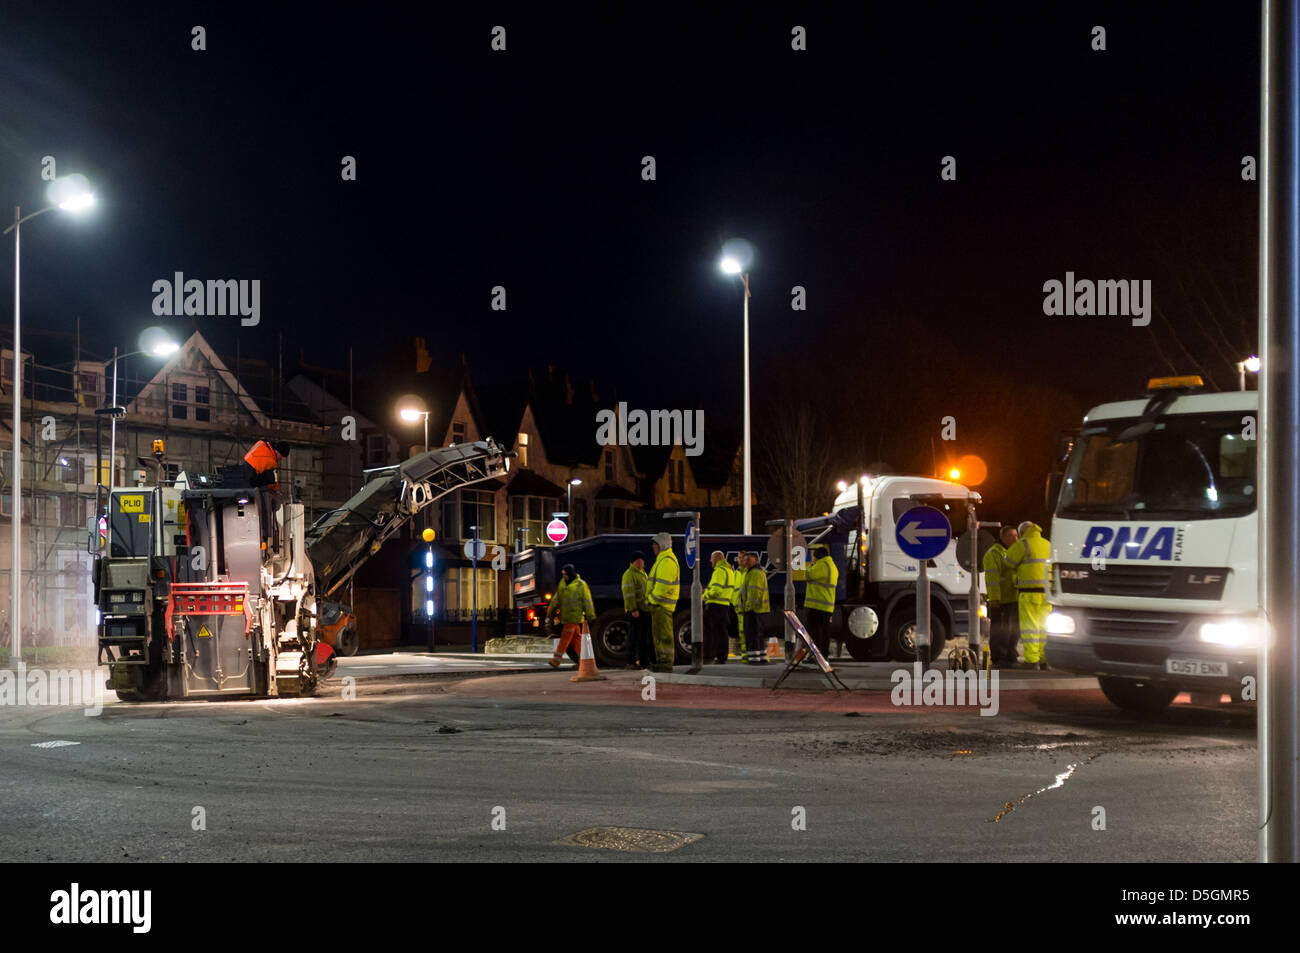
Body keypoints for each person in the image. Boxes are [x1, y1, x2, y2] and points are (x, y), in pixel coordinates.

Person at [1003, 521, 1051, 670]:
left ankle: (1032, 661)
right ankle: (1044, 660)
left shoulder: (1023, 543)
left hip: (1029, 593)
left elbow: (1008, 562)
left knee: (1030, 628)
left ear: (1022, 532)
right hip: (1047, 594)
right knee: (1044, 628)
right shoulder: (1047, 544)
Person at [982, 524, 1020, 668]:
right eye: (1010, 536)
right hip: (1001, 600)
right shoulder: (994, 553)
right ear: (1002, 537)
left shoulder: (1012, 553)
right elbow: (992, 578)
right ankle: (999, 658)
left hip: (1013, 598)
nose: (1014, 539)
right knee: (1000, 631)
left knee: (1013, 630)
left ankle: (1010, 655)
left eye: (1016, 536)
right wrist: (995, 599)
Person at [547, 563, 596, 668]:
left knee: (565, 638)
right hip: (565, 617)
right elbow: (557, 598)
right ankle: (583, 661)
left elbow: (587, 601)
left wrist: (590, 615)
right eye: (562, 574)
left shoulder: (581, 585)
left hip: (574, 617)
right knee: (576, 640)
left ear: (570, 573)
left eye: (565, 574)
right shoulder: (563, 583)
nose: (563, 576)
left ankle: (556, 661)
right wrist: (551, 610)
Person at [646, 532, 680, 672]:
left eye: (656, 545)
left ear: (662, 545)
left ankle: (665, 663)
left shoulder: (667, 561)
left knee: (664, 636)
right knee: (660, 636)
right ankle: (662, 662)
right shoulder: (663, 559)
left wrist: (651, 599)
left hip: (662, 605)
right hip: (660, 605)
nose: (653, 547)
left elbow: (663, 586)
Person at [803, 543, 839, 659]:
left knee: (815, 633)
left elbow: (807, 575)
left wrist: (811, 564)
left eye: (814, 557)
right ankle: (823, 656)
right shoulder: (831, 565)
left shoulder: (822, 565)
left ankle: (816, 656)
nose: (814, 559)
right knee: (824, 633)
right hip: (826, 606)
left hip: (817, 605)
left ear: (818, 556)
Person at [703, 550, 737, 664]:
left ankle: (708, 657)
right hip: (725, 606)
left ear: (717, 558)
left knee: (710, 633)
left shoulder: (719, 571)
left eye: (711, 558)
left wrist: (704, 595)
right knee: (722, 633)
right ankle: (722, 657)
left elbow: (716, 590)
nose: (710, 561)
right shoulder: (729, 571)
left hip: (714, 605)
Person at [621, 551, 652, 669]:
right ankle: (631, 661)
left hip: (644, 610)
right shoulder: (629, 574)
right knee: (634, 637)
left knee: (644, 637)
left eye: (642, 560)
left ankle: (644, 661)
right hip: (636, 611)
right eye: (638, 560)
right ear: (633, 562)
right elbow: (628, 594)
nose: (641, 562)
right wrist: (633, 609)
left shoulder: (643, 574)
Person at [739, 551, 771, 664]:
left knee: (752, 635)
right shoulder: (754, 572)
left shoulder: (755, 573)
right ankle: (761, 657)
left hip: (753, 610)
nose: (745, 562)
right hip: (758, 610)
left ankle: (753, 659)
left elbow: (753, 593)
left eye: (748, 560)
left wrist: (748, 607)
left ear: (756, 560)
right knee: (758, 635)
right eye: (745, 560)